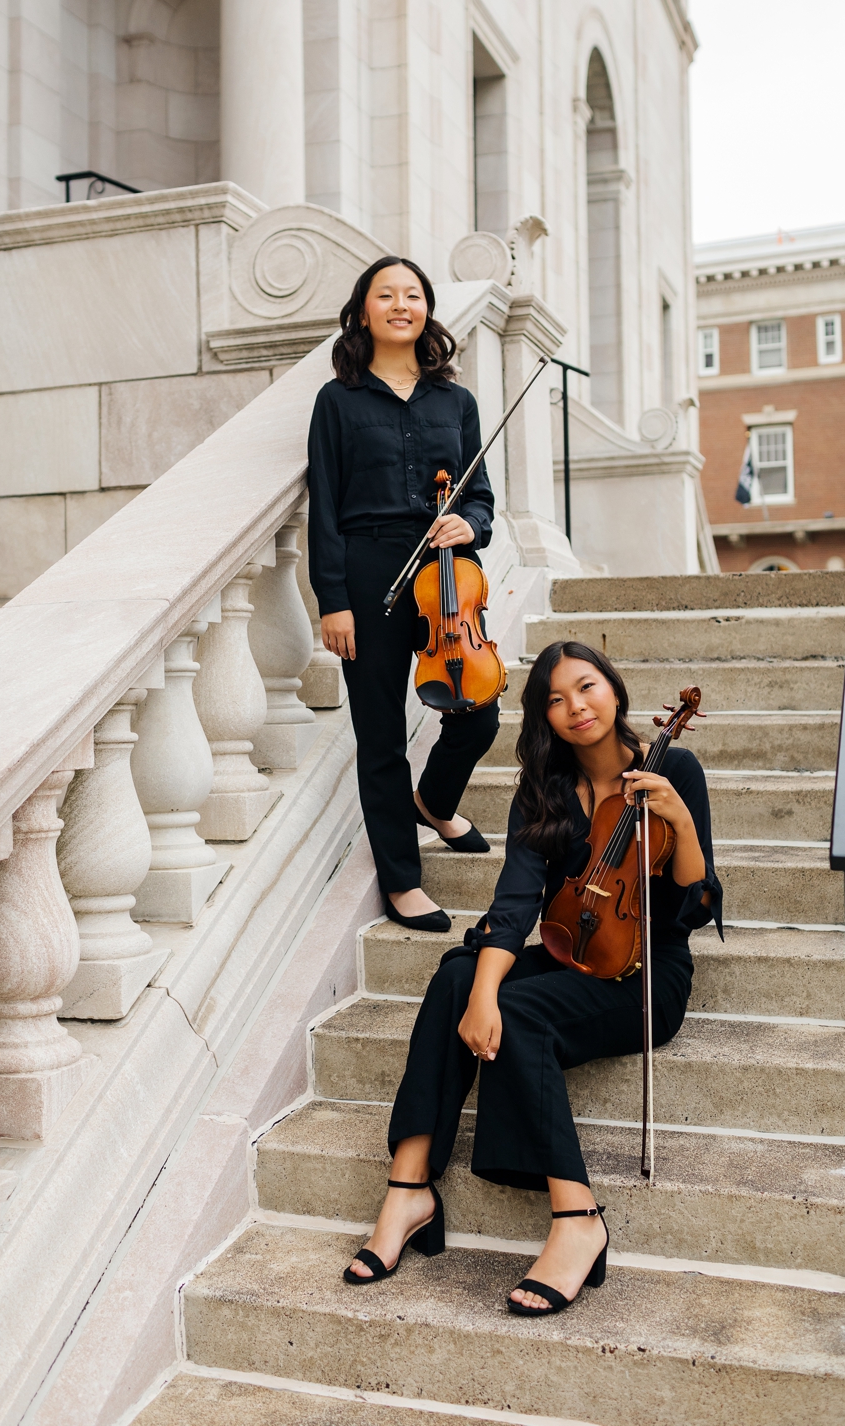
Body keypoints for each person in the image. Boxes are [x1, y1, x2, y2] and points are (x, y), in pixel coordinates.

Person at [342, 639, 724, 1313]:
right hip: (565, 950)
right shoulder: (542, 793)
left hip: (644, 972)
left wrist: (681, 822)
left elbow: (694, 908)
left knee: (518, 1014)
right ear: (543, 718)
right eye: (555, 698)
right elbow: (515, 904)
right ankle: (409, 1187)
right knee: (461, 972)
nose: (575, 706)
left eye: (586, 687)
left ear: (614, 689)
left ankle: (578, 1221)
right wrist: (485, 991)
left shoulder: (675, 768)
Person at [307, 256, 500, 932]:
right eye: (384, 294)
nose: (400, 304)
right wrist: (332, 599)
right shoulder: (339, 401)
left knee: (478, 714)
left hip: (446, 572)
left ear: (427, 310)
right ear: (363, 311)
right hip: (368, 571)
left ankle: (437, 801)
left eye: (412, 294)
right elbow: (324, 505)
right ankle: (402, 879)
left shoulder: (457, 402)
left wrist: (467, 522)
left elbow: (481, 496)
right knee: (381, 731)